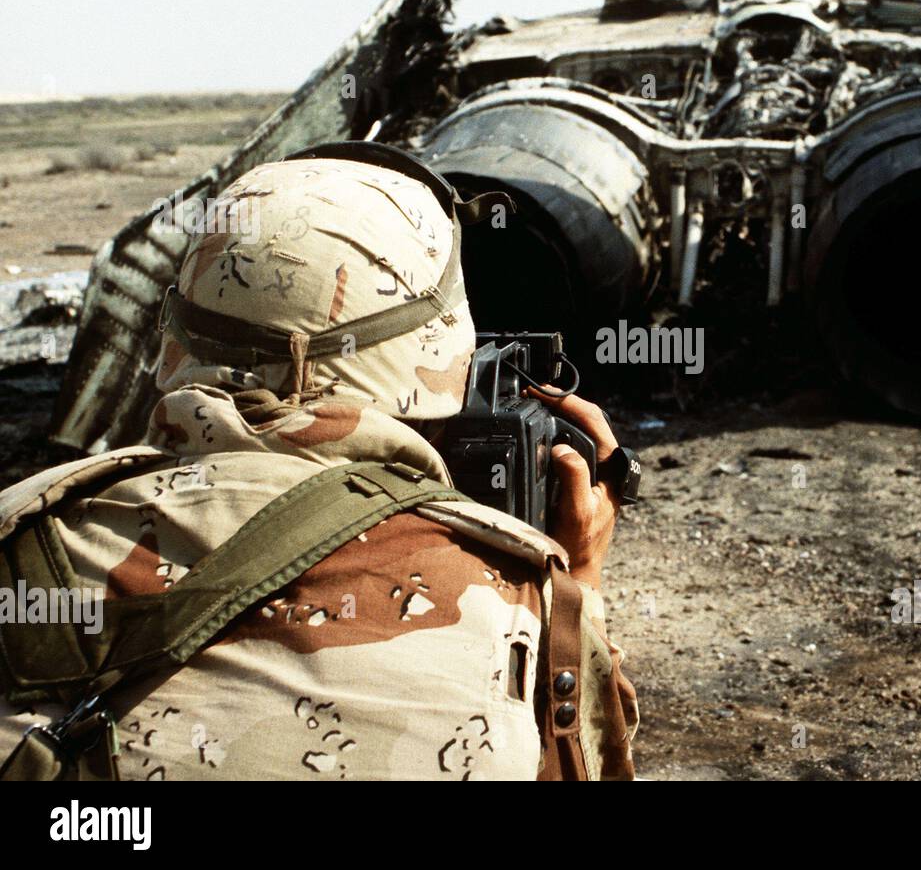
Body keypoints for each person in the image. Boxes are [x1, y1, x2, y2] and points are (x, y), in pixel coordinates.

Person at [0, 144, 636, 780]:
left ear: (177, 334)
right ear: (437, 351)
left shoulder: (17, 536)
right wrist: (578, 580)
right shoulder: (521, 607)